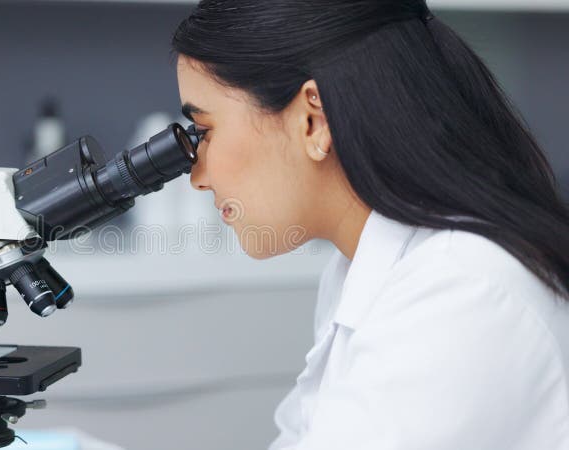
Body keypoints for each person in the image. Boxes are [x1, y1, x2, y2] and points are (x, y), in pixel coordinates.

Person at [171, 1, 569, 449]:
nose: (197, 178)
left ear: (313, 120)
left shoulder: (463, 294)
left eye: (204, 132)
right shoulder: (359, 269)